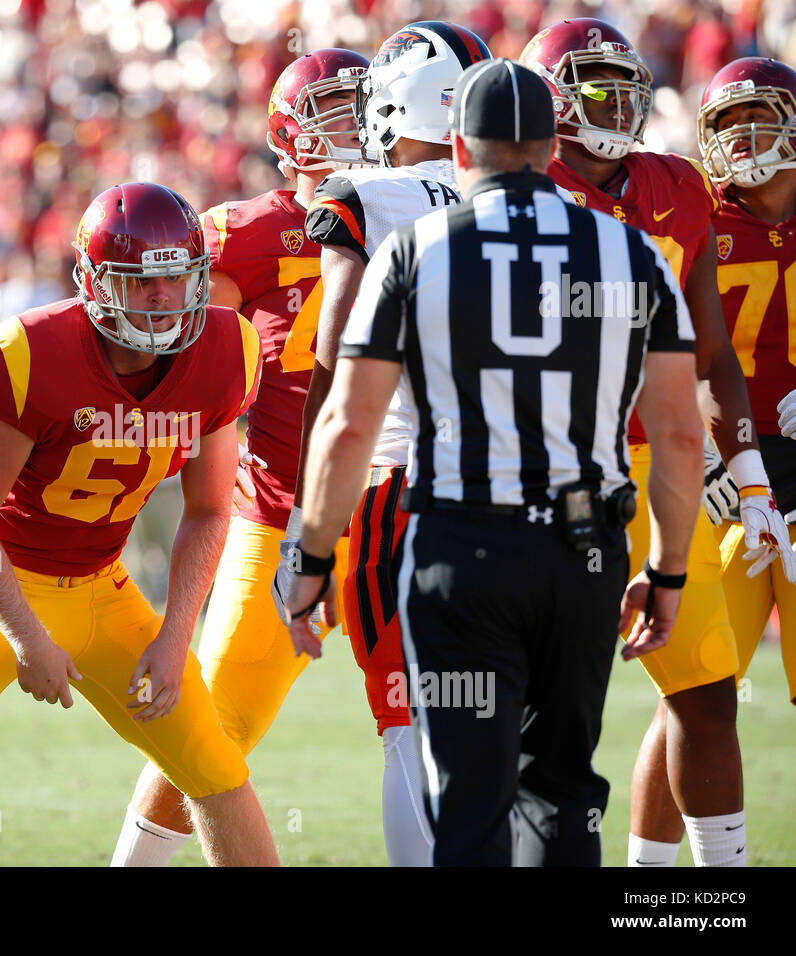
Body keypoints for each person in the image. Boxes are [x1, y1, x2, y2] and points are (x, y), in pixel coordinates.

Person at [286, 58, 704, 866]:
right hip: (584, 550)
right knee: (563, 795)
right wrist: (670, 569)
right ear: (554, 147)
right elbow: (682, 435)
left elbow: (347, 422)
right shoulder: (631, 253)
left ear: (456, 144)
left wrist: (310, 556)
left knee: (468, 794)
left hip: (460, 548)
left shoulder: (411, 252)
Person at [0, 182, 280, 867]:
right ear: (95, 283)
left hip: (103, 588)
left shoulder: (224, 349)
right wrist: (28, 638)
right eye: (140, 284)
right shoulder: (36, 351)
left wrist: (175, 632)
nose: (162, 301)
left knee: (214, 765)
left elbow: (212, 509)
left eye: (175, 279)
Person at [521, 17, 794, 868]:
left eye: (622, 82)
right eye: (592, 84)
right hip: (541, 470)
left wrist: (739, 468)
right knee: (543, 716)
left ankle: (703, 900)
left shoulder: (676, 183)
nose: (617, 100)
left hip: (656, 467)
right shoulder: (509, 187)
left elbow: (709, 352)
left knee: (704, 694)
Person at [109, 48, 369, 868]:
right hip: (280, 510)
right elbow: (187, 362)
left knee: (448, 716)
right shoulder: (245, 232)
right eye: (334, 112)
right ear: (290, 133)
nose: (357, 128)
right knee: (210, 726)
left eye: (366, 109)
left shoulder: (415, 210)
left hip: (405, 503)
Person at [286, 20, 490, 866]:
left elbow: (333, 369)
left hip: (401, 492)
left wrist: (308, 529)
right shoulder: (532, 202)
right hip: (516, 494)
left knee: (406, 730)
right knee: (496, 734)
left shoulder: (367, 199)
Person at [698, 59, 796, 711]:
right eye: (727, 122)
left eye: (758, 117)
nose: (741, 135)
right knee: (695, 695)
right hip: (734, 472)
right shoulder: (693, 217)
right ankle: (645, 825)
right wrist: (703, 458)